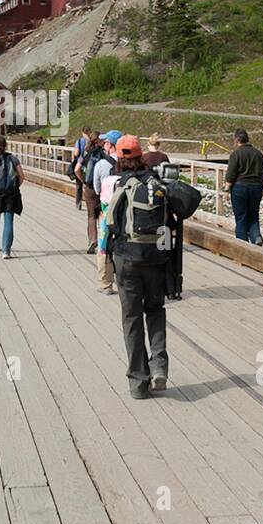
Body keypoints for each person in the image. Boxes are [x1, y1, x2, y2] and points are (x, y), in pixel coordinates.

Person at [105, 135, 170, 399]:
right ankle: (159, 366)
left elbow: (110, 223)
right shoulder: (156, 182)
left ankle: (138, 382)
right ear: (141, 155)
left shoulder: (119, 184)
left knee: (132, 319)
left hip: (127, 259)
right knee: (155, 310)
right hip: (156, 258)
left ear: (120, 158)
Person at [225, 128, 263, 245]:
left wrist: (226, 190)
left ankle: (242, 244)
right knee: (254, 215)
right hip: (256, 187)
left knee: (241, 217)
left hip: (240, 187)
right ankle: (256, 237)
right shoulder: (258, 154)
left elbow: (231, 174)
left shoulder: (236, 154)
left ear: (237, 140)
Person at [94, 142, 122, 295]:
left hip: (107, 217)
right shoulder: (128, 182)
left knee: (104, 247)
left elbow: (97, 190)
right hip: (124, 219)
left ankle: (106, 284)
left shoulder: (107, 180)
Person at [76, 131, 107, 253]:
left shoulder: (86, 153)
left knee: (91, 215)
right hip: (104, 186)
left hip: (89, 187)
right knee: (103, 213)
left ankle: (92, 239)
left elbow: (77, 169)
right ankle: (103, 240)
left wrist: (83, 181)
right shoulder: (104, 154)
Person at [70, 127, 92, 211]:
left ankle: (78, 204)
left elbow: (76, 153)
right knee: (89, 185)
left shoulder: (79, 141)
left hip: (80, 165)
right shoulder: (91, 141)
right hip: (89, 165)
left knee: (79, 185)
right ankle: (89, 203)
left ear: (82, 132)